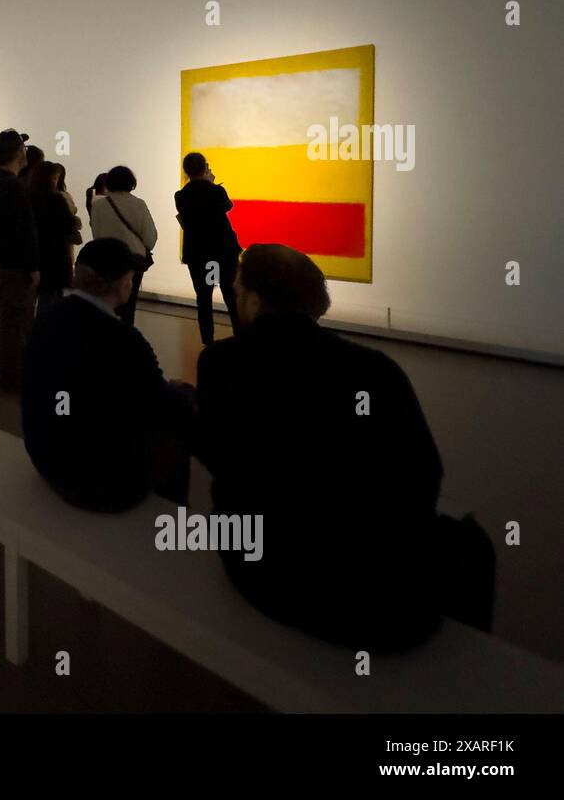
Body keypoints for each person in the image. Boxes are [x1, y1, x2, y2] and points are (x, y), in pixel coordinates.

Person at [196, 244, 492, 650]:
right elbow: (423, 476)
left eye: (237, 286)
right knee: (471, 545)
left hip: (256, 568)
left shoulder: (220, 363)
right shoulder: (374, 369)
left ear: (253, 298)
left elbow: (222, 458)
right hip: (372, 603)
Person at [23, 238, 193, 510]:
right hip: (98, 483)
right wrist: (182, 393)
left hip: (45, 455)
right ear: (123, 283)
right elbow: (162, 407)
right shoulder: (124, 339)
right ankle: (167, 520)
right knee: (176, 423)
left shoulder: (47, 318)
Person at [0, 129, 38, 392]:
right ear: (18, 152)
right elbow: (23, 231)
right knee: (15, 319)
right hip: (15, 265)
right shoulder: (14, 186)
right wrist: (33, 266)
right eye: (23, 148)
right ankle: (12, 375)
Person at [175, 151, 242, 345]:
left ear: (186, 171)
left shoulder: (181, 196)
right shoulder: (216, 191)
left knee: (204, 298)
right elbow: (227, 206)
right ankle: (241, 337)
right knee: (231, 296)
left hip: (199, 255)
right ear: (205, 168)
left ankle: (208, 341)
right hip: (223, 253)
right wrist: (210, 183)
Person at [90, 165, 156, 325]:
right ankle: (125, 342)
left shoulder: (99, 205)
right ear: (131, 183)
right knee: (129, 306)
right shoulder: (139, 204)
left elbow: (96, 235)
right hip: (133, 260)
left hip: (106, 259)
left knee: (107, 303)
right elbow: (150, 238)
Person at [29, 161, 81, 315]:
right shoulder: (56, 200)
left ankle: (33, 333)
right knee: (49, 301)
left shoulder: (27, 199)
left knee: (32, 302)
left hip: (34, 257)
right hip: (54, 258)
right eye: (54, 178)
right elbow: (69, 224)